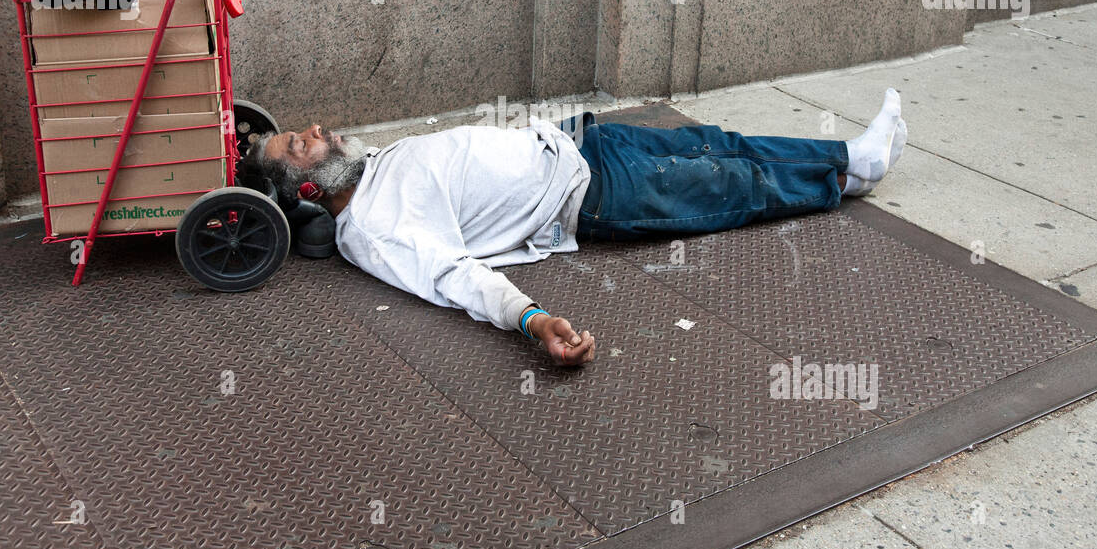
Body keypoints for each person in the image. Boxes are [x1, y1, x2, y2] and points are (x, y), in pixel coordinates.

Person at [242, 90, 907, 367]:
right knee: (735, 184)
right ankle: (850, 173)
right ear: (308, 186)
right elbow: (454, 277)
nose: (319, 131)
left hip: (578, 143)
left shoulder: (368, 167)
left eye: (305, 130)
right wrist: (532, 321)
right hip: (597, 195)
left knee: (717, 143)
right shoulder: (374, 228)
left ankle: (847, 160)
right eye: (303, 144)